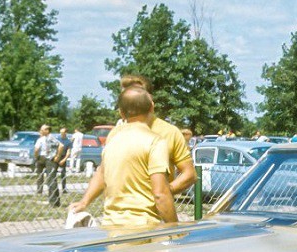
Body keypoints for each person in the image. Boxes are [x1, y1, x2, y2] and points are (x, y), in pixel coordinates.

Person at [68, 86, 176, 227]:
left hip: (111, 225)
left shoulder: (113, 140)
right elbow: (160, 194)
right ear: (152, 108)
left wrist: (84, 202)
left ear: (121, 113)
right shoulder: (155, 142)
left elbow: (101, 173)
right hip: (144, 228)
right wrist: (175, 229)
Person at [114, 75, 196, 195]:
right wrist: (85, 201)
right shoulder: (116, 133)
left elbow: (189, 174)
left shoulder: (169, 132)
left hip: (154, 211)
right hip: (118, 211)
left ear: (150, 101)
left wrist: (163, 193)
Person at [33, 124, 61, 206]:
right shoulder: (45, 138)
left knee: (51, 180)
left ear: (47, 131)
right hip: (47, 159)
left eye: (42, 130)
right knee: (51, 179)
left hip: (49, 159)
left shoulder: (50, 138)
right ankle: (56, 201)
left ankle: (53, 201)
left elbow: (61, 146)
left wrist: (57, 156)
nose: (40, 131)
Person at [56, 127, 72, 193]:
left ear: (66, 133)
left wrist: (64, 160)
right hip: (56, 157)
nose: (61, 134)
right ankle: (54, 188)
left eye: (62, 132)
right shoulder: (57, 140)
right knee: (53, 173)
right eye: (60, 132)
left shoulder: (68, 142)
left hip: (63, 157)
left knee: (63, 173)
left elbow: (68, 152)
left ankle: (64, 188)